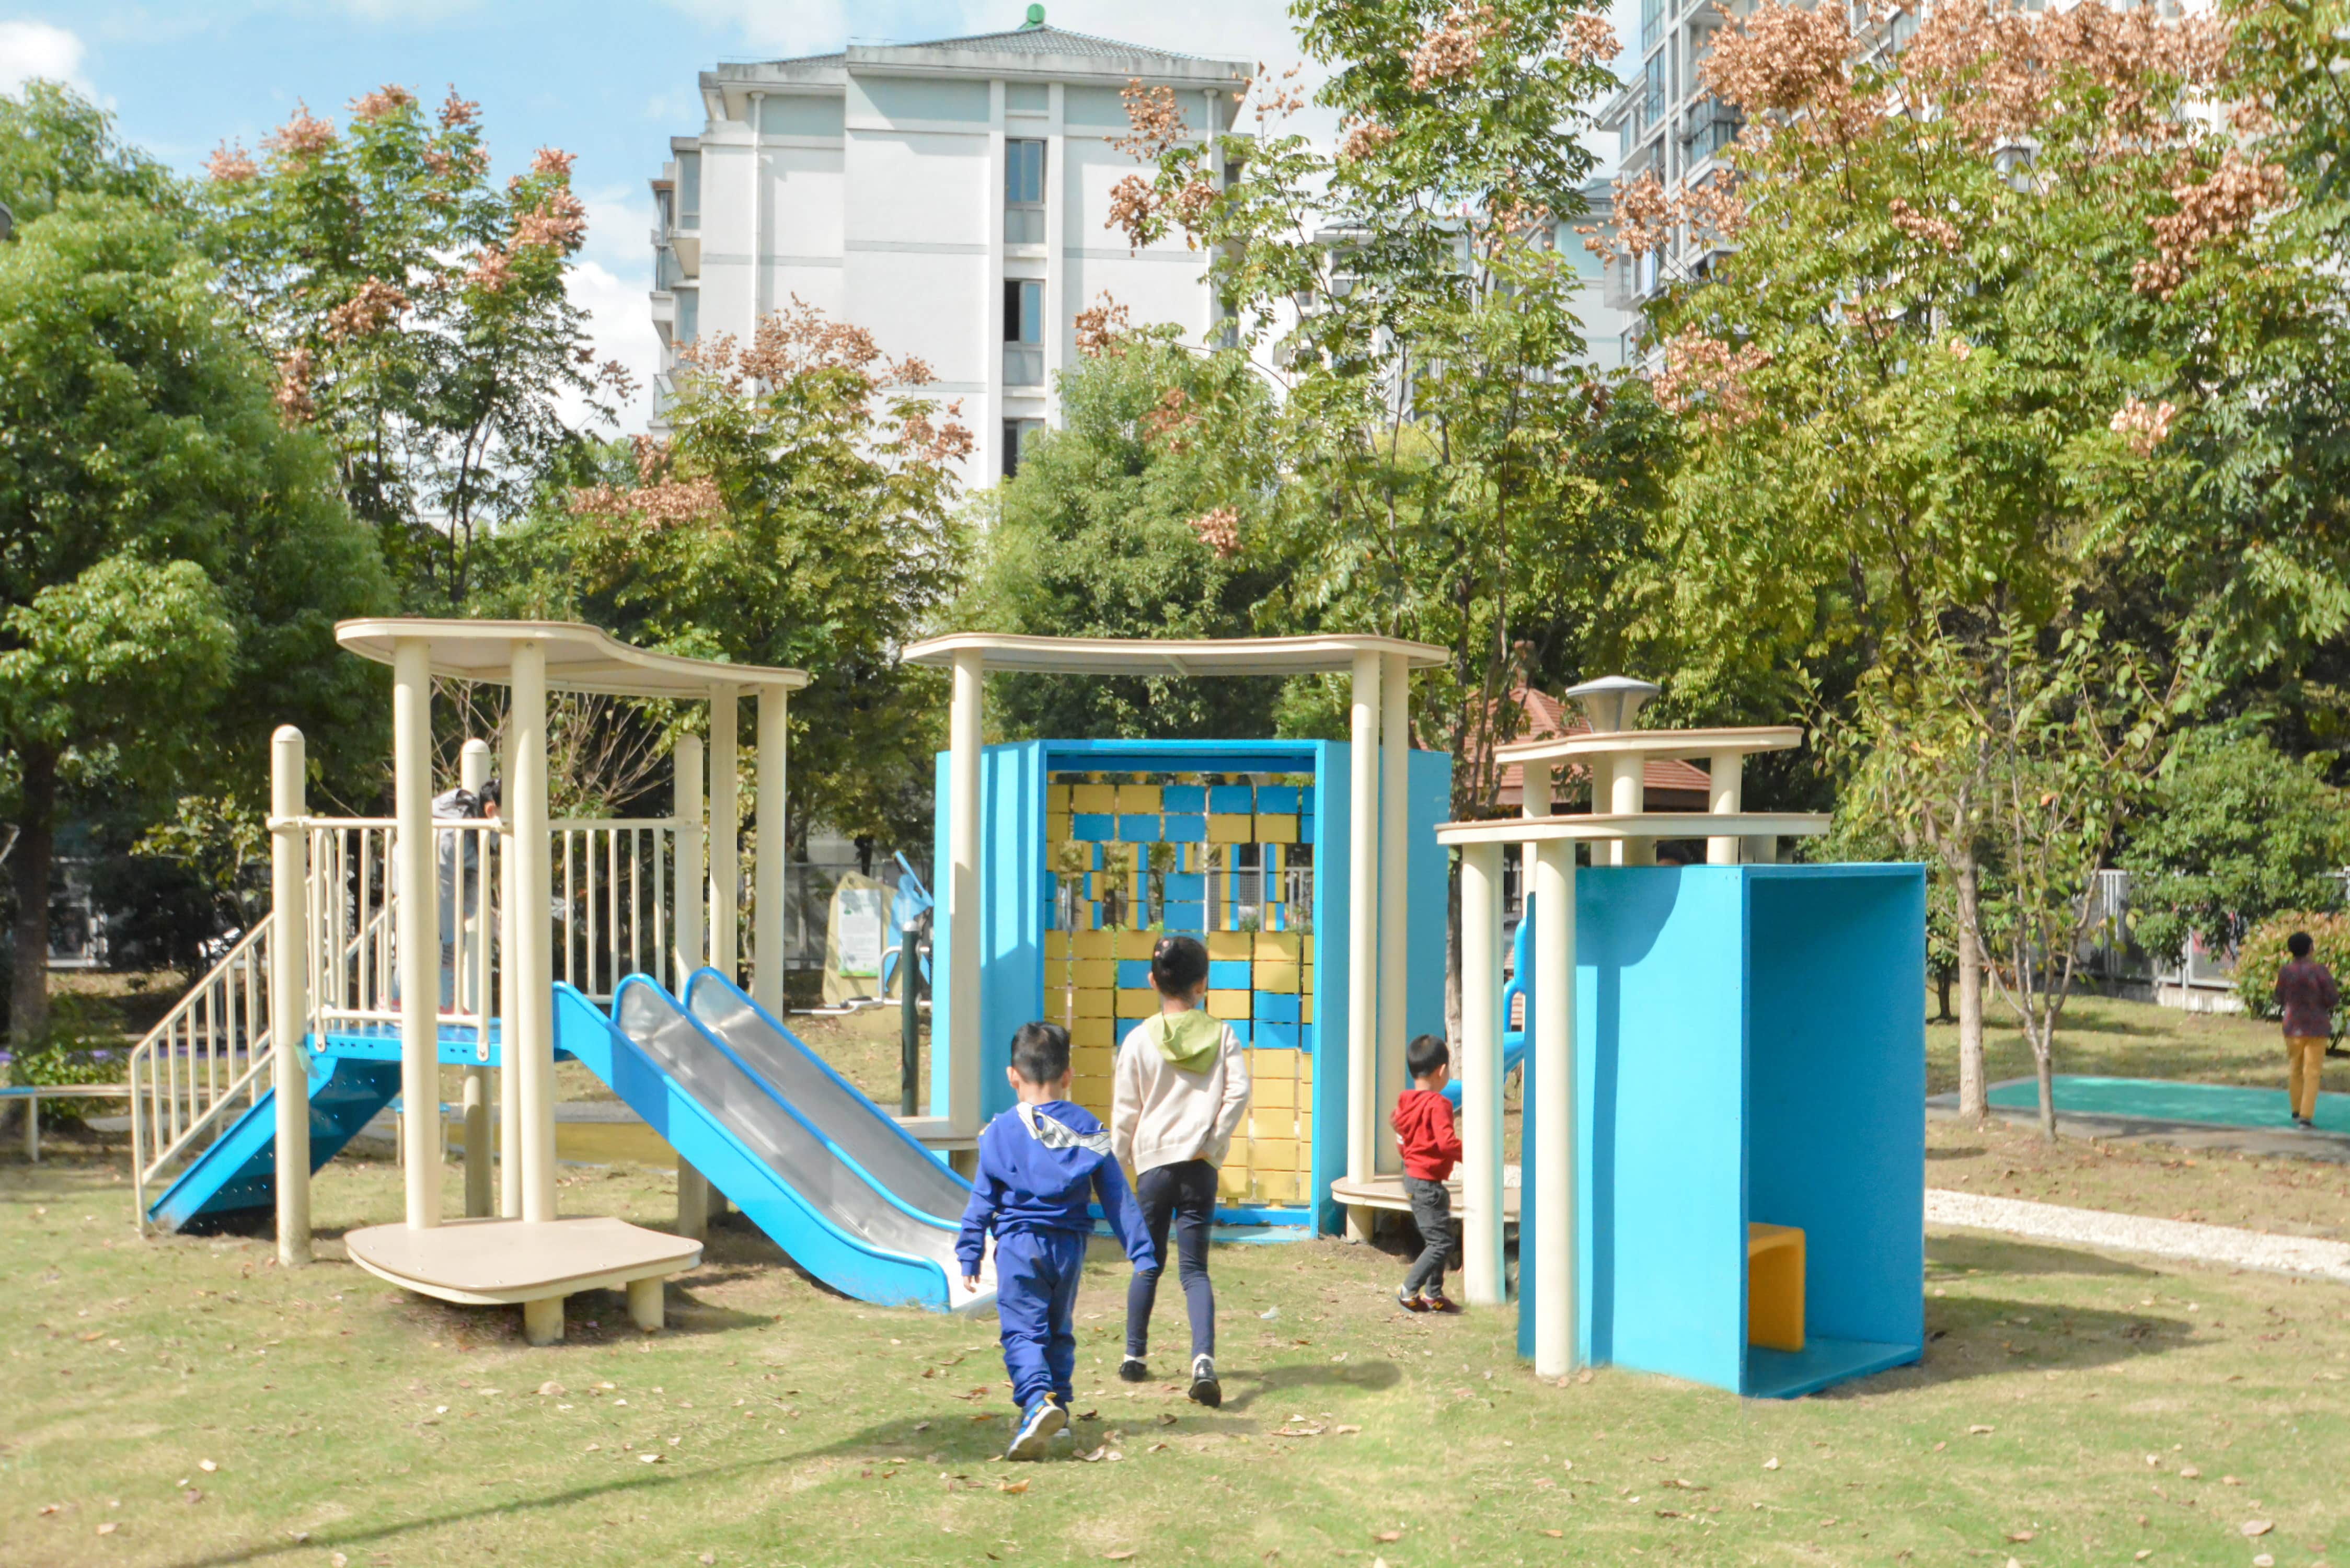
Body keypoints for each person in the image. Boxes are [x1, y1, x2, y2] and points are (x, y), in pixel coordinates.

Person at [958, 1022, 1156, 1461]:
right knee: (1058, 1332)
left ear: (1013, 1076)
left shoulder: (999, 1132)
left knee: (1022, 1333)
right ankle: (1059, 1413)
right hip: (1068, 1249)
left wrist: (970, 1249)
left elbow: (982, 1199)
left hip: (1018, 1245)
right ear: (1068, 1075)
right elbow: (1118, 1196)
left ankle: (1036, 1403)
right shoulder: (1089, 1130)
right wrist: (1141, 1251)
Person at [1110, 933, 1251, 1408]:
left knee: (1146, 1264)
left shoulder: (1136, 1041)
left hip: (1153, 1167)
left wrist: (1121, 1162)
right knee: (1195, 1270)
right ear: (1204, 983)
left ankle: (1134, 1355)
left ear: (1153, 981)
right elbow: (1238, 1094)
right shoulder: (1224, 1035)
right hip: (1199, 1167)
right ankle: (1203, 1361)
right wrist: (1212, 1142)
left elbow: (1125, 1111)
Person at [1391, 1033, 1465, 1312]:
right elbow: (1446, 1143)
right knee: (1440, 1241)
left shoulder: (1405, 1102)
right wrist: (1472, 1155)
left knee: (1441, 1237)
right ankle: (1409, 1290)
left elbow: (1402, 1141)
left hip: (1413, 1177)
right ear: (1443, 1070)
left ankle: (1434, 1295)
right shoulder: (1440, 1105)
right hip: (1428, 1183)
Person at [2277, 931, 2337, 1129]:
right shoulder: (2319, 971)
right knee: (2312, 1071)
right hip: (2317, 1027)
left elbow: (2278, 996)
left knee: (2295, 1068)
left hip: (2292, 1027)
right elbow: (2332, 998)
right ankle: (2306, 1116)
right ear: (2311, 948)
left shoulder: (2285, 971)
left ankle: (2296, 1111)